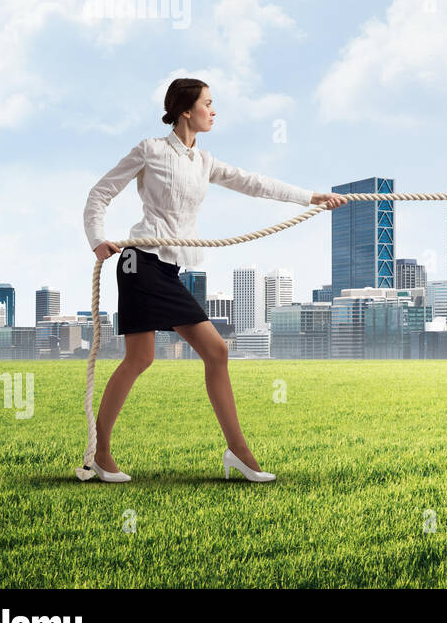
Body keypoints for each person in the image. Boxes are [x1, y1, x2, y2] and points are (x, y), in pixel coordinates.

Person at [82, 77, 346, 482]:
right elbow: (100, 193)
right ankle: (101, 453)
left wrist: (312, 197)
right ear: (187, 109)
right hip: (139, 263)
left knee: (213, 352)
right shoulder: (150, 150)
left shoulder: (204, 162)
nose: (214, 110)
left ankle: (236, 453)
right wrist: (98, 239)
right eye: (209, 103)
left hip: (168, 269)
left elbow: (255, 183)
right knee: (145, 357)